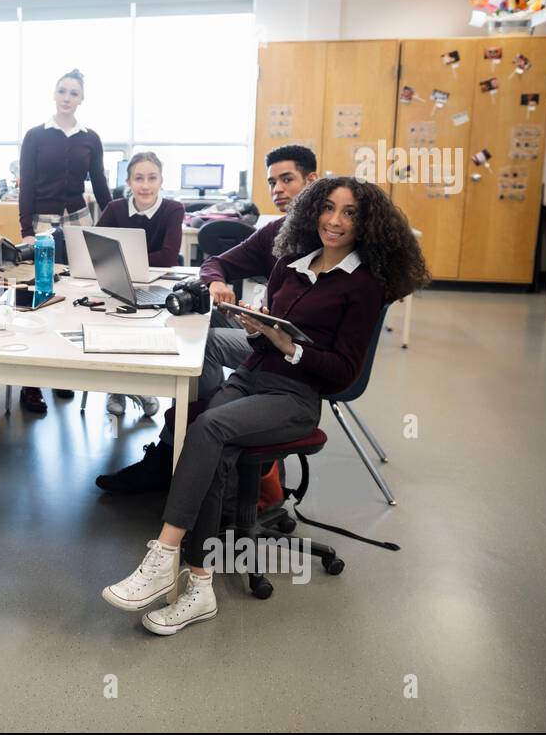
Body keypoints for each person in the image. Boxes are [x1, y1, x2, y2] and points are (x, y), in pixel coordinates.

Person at [101, 176, 429, 636]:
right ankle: (199, 588)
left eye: (350, 212)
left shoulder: (365, 286)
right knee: (210, 442)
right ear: (313, 209)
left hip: (295, 396)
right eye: (328, 208)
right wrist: (255, 326)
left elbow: (343, 373)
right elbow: (261, 338)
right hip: (255, 374)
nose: (335, 221)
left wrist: (287, 345)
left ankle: (162, 557)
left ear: (367, 222)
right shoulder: (291, 262)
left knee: (210, 428)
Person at [96, 144, 318, 493]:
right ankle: (198, 441)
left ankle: (187, 444)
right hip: (266, 331)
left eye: (287, 179)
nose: (278, 190)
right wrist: (216, 280)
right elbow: (215, 261)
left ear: (312, 181)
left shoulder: (330, 239)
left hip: (297, 349)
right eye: (272, 182)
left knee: (205, 345)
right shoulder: (277, 231)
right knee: (202, 313)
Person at [16, 68, 111, 414]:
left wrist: (114, 220)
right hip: (41, 221)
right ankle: (30, 385)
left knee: (74, 296)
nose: (67, 98)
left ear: (81, 99)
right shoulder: (36, 136)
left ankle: (62, 372)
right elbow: (26, 184)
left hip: (78, 219)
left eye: (74, 93)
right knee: (39, 298)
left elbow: (99, 183)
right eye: (62, 91)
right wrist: (26, 228)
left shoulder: (90, 138)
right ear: (54, 95)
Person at [93, 151, 185, 418]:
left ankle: (143, 387)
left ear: (161, 180)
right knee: (111, 326)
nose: (145, 185)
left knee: (146, 331)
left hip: (157, 284)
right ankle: (116, 388)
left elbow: (168, 257)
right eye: (139, 178)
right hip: (117, 282)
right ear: (129, 182)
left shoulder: (172, 209)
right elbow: (97, 248)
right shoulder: (115, 209)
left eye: (152, 178)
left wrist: (124, 261)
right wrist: (125, 265)